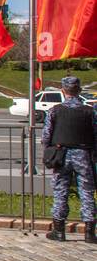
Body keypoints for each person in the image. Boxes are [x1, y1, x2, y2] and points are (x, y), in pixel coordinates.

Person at [42, 75, 97, 242]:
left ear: (63, 91)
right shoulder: (90, 111)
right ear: (79, 91)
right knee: (87, 192)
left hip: (61, 154)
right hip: (84, 155)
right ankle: (89, 232)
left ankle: (59, 230)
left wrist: (49, 151)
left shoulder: (55, 110)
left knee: (60, 191)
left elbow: (46, 136)